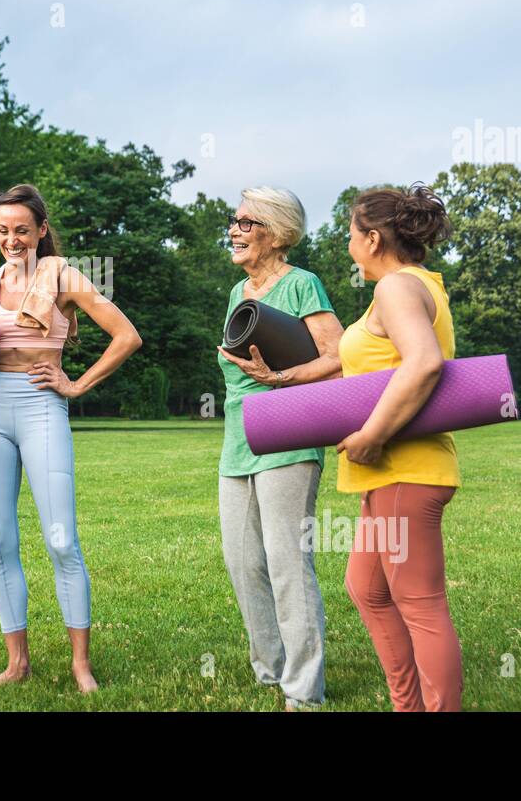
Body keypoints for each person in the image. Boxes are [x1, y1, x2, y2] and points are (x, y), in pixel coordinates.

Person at [0, 184, 141, 693]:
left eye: (22, 231)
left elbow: (126, 336)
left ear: (41, 231)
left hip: (41, 408)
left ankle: (81, 664)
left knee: (61, 540)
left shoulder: (63, 276)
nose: (11, 240)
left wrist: (75, 385)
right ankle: (18, 661)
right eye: (3, 231)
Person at [335, 182, 462, 711]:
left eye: (349, 236)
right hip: (388, 477)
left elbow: (424, 362)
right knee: (367, 589)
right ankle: (407, 705)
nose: (347, 246)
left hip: (403, 469)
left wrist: (372, 435)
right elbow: (376, 363)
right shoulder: (412, 284)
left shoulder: (396, 288)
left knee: (420, 603)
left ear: (370, 239)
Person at [216, 187, 344, 710]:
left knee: (287, 560)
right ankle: (270, 668)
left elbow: (339, 355)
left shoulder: (302, 284)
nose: (235, 230)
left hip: (289, 430)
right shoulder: (237, 292)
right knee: (242, 561)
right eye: (235, 220)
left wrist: (280, 377)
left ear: (275, 231)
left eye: (246, 222)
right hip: (238, 436)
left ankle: (304, 688)